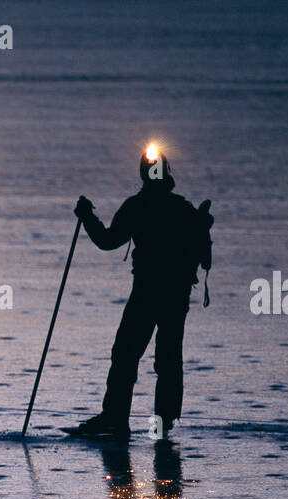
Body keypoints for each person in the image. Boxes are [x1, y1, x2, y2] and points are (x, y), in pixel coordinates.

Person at [64, 144, 212, 440]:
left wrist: (87, 217)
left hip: (148, 294)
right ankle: (160, 425)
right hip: (174, 296)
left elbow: (108, 241)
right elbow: (204, 259)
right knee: (164, 359)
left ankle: (118, 420)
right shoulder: (182, 209)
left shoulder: (139, 206)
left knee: (127, 355)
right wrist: (201, 227)